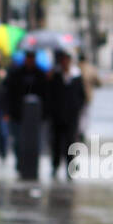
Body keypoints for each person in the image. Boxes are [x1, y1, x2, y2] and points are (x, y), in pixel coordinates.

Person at [46, 49, 86, 179]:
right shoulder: (55, 76)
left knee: (70, 142)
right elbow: (50, 94)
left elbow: (82, 96)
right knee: (56, 142)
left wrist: (76, 108)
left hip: (71, 116)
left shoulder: (76, 76)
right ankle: (55, 165)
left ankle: (70, 167)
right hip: (57, 115)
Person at [6, 49, 46, 173]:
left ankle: (31, 164)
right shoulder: (16, 73)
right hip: (18, 114)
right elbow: (9, 93)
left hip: (34, 116)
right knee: (18, 141)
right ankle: (20, 162)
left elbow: (45, 94)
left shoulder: (40, 74)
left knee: (34, 142)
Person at [76, 49, 99, 141]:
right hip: (87, 96)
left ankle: (78, 131)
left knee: (77, 115)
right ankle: (81, 132)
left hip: (76, 97)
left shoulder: (75, 67)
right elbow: (98, 82)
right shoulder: (90, 69)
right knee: (85, 115)